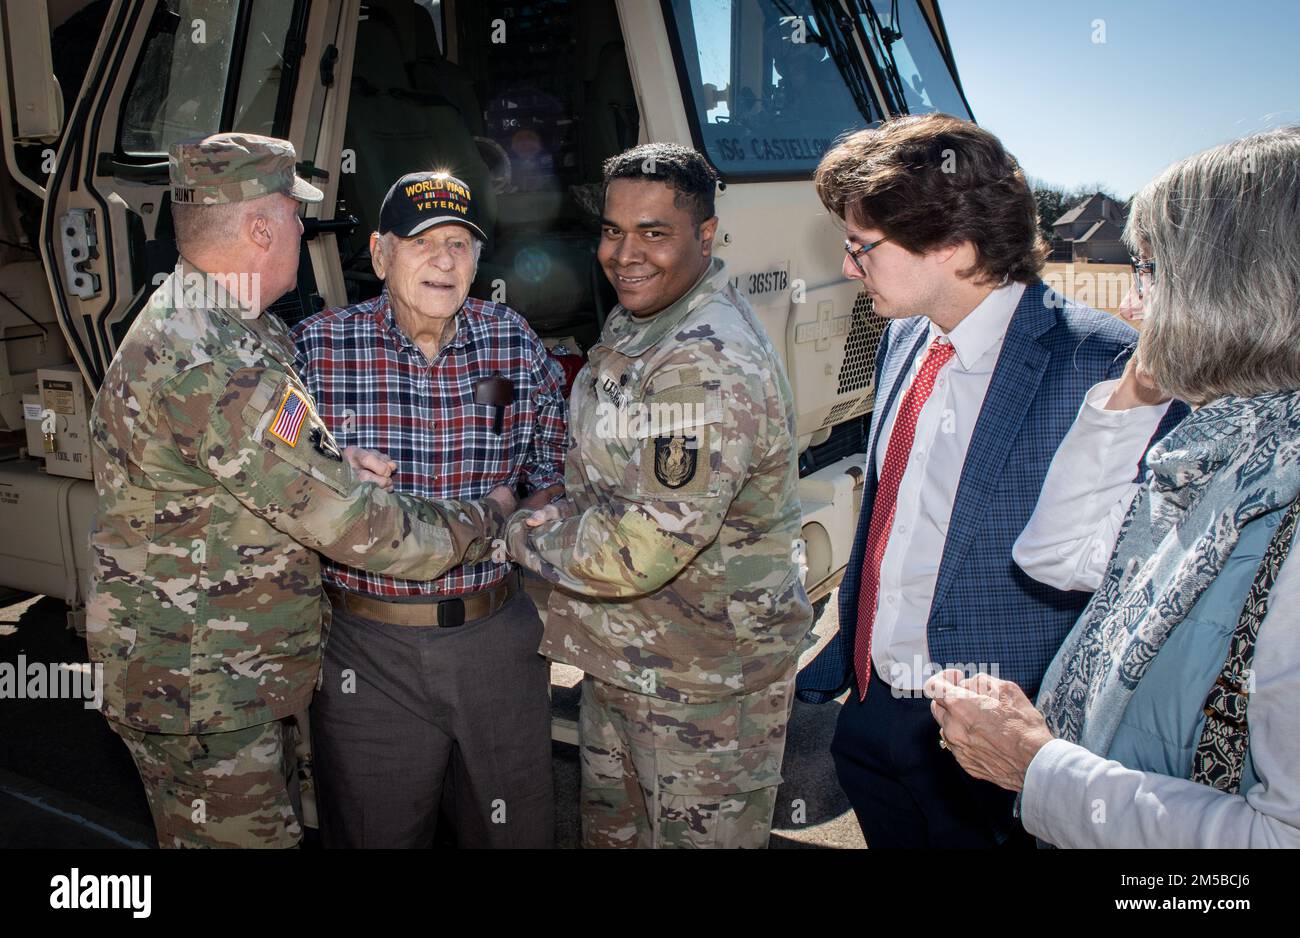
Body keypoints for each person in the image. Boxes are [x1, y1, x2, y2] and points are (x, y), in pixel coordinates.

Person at [87, 133, 515, 849]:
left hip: (230, 675)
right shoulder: (213, 360)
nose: (304, 229)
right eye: (294, 214)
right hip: (201, 691)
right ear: (259, 228)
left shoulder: (231, 328)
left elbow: (245, 464)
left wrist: (331, 456)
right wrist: (491, 516)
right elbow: (363, 530)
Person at [796, 113, 1185, 848]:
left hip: (995, 750)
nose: (849, 267)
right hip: (874, 710)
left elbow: (1136, 586)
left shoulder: (1105, 365)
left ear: (950, 244)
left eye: (862, 247)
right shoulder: (905, 334)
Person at [928, 126, 1300, 848]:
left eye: (1154, 274)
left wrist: (1041, 770)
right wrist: (1135, 389)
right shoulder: (1234, 450)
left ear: (1234, 287)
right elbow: (1057, 554)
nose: (1134, 304)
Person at [504, 142, 813, 848]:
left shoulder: (703, 360)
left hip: (702, 689)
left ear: (705, 237)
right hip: (632, 659)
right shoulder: (642, 324)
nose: (625, 253)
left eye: (654, 233)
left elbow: (642, 547)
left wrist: (517, 531)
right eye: (613, 230)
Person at [292, 171, 567, 848]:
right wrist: (334, 472)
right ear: (382, 254)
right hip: (367, 651)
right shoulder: (315, 350)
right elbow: (276, 484)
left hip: (495, 640)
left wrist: (543, 508)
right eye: (423, 243)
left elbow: (553, 470)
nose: (445, 260)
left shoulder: (514, 343)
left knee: (513, 835)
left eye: (461, 245)